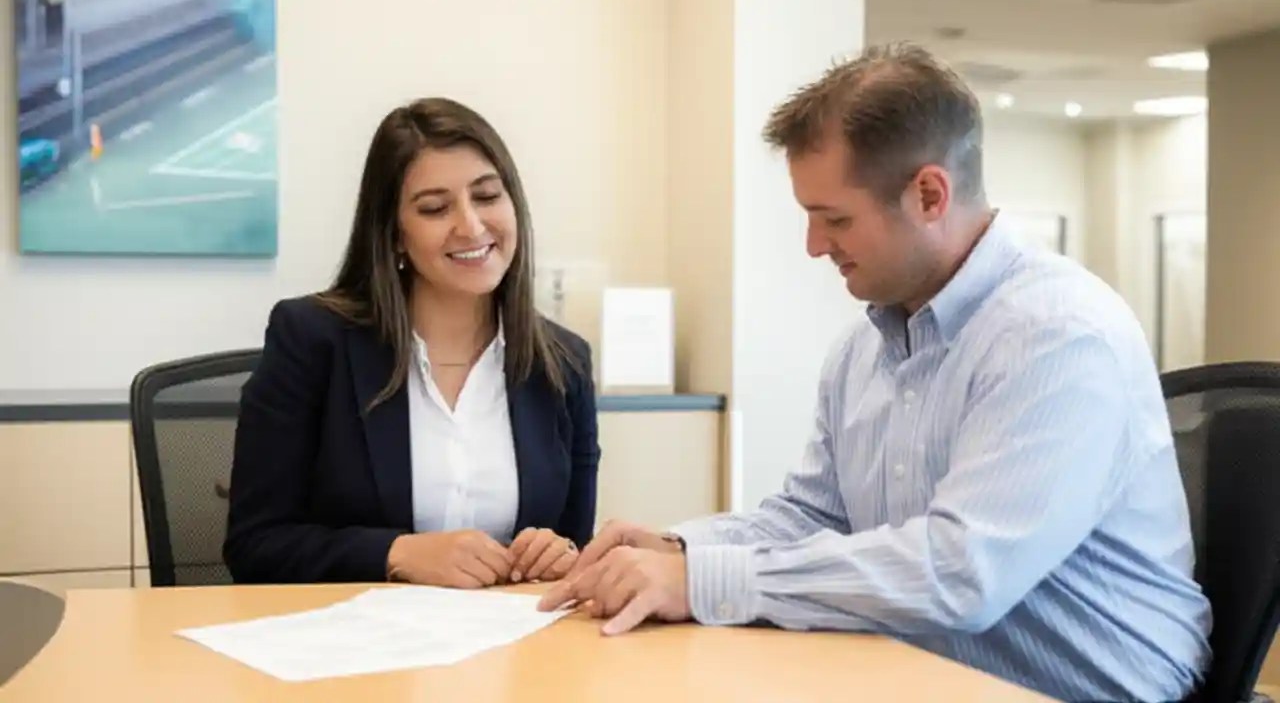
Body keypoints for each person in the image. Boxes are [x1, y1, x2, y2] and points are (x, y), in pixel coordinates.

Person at [539, 44, 1211, 702]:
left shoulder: (1059, 337)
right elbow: (812, 515)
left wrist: (704, 581)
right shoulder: (862, 351)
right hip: (928, 674)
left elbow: (960, 572)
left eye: (834, 219)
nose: (813, 246)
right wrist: (678, 548)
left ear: (928, 194)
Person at [225, 97, 600, 588]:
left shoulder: (563, 363)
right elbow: (255, 545)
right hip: (352, 649)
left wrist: (561, 556)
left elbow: (573, 545)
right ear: (394, 233)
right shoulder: (312, 340)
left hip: (512, 654)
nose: (471, 225)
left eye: (487, 197)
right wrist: (396, 553)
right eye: (435, 208)